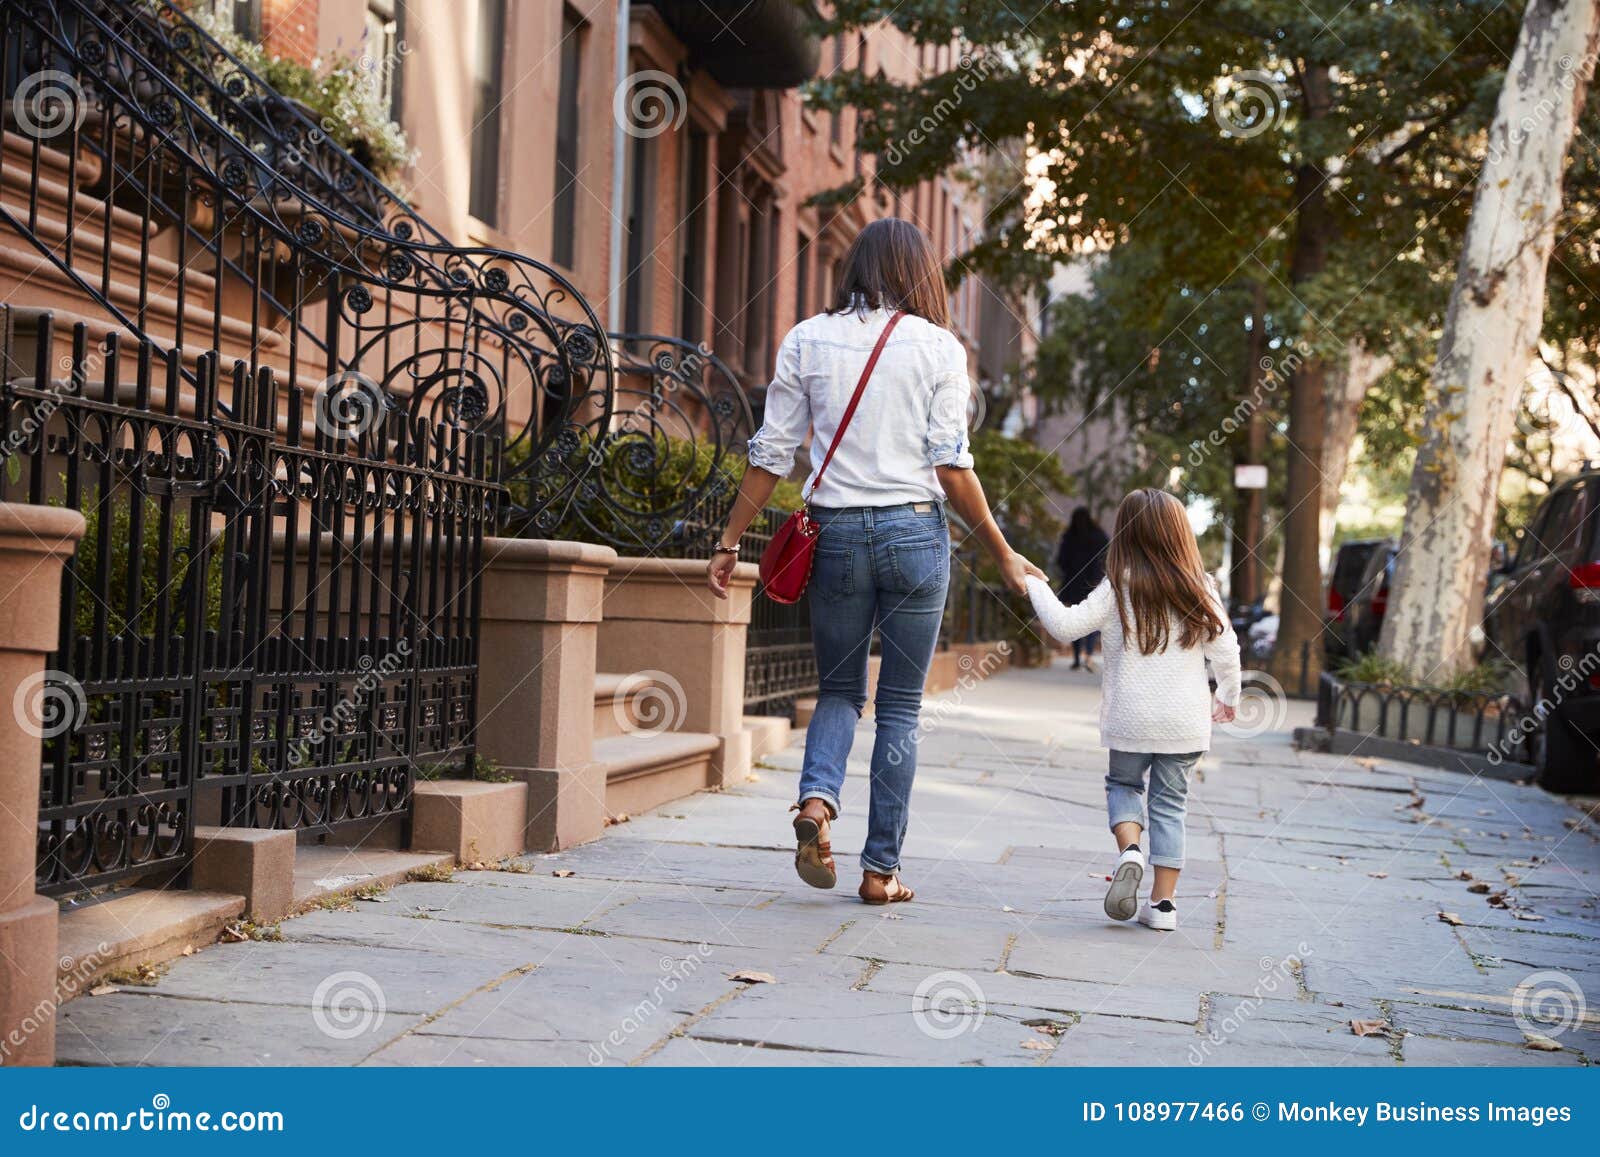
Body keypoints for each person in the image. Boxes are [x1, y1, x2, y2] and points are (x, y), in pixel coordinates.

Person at [706, 217, 1043, 906]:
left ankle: (816, 804)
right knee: (898, 710)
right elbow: (951, 466)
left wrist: (728, 538)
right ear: (921, 273)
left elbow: (772, 451)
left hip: (834, 533)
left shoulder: (807, 338)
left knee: (839, 690)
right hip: (915, 535)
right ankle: (880, 869)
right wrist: (1003, 553)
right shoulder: (942, 349)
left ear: (854, 268)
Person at [1024, 489, 1241, 931]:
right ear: (1181, 536)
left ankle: (1130, 851)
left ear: (1124, 534)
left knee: (1123, 784)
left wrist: (1032, 583)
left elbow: (1064, 626)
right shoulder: (1201, 588)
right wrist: (1229, 696)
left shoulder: (1116, 588)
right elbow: (1227, 649)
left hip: (1130, 718)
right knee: (1170, 805)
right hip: (1184, 723)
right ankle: (1163, 907)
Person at [1055, 507, 1110, 671]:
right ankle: (1089, 655)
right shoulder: (1100, 537)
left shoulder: (1069, 537)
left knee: (1075, 619)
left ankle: (1077, 657)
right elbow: (1107, 559)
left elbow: (1061, 560)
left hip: (1073, 584)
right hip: (1094, 584)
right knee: (1094, 621)